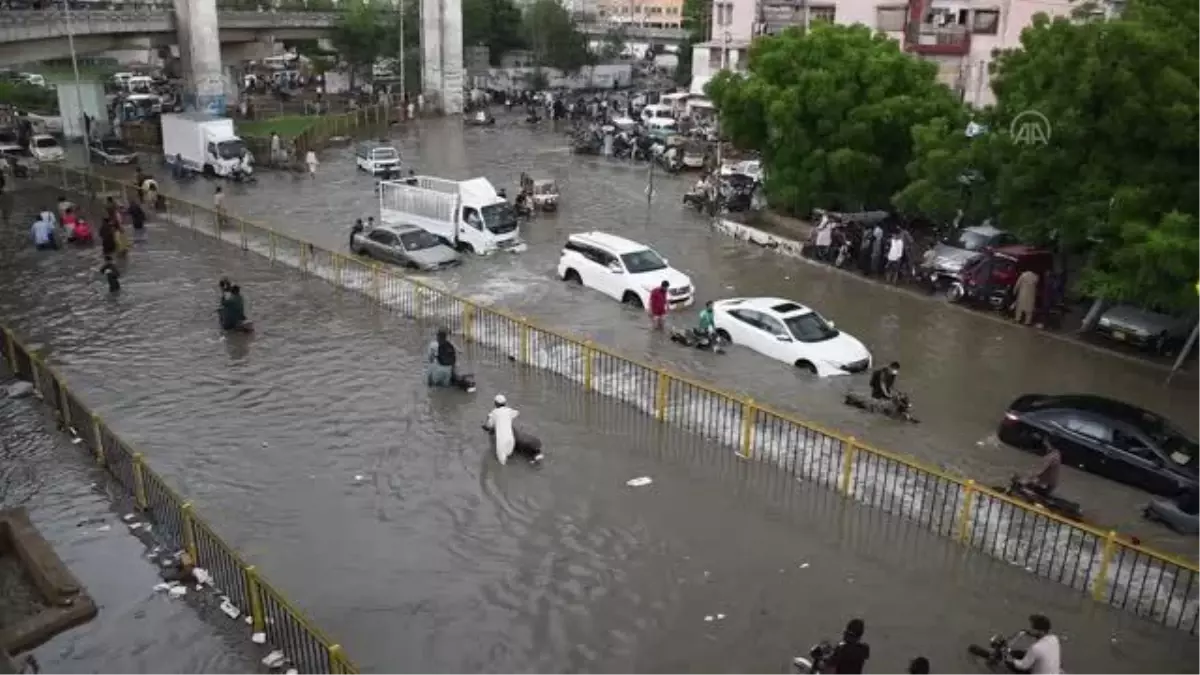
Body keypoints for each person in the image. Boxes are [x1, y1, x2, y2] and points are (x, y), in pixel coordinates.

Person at [483, 394, 520, 465]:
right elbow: (517, 413)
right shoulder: (509, 411)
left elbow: (488, 426)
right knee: (509, 459)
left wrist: (486, 423)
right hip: (511, 441)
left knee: (502, 465)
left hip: (502, 442)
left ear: (495, 403)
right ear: (505, 403)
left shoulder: (494, 413)